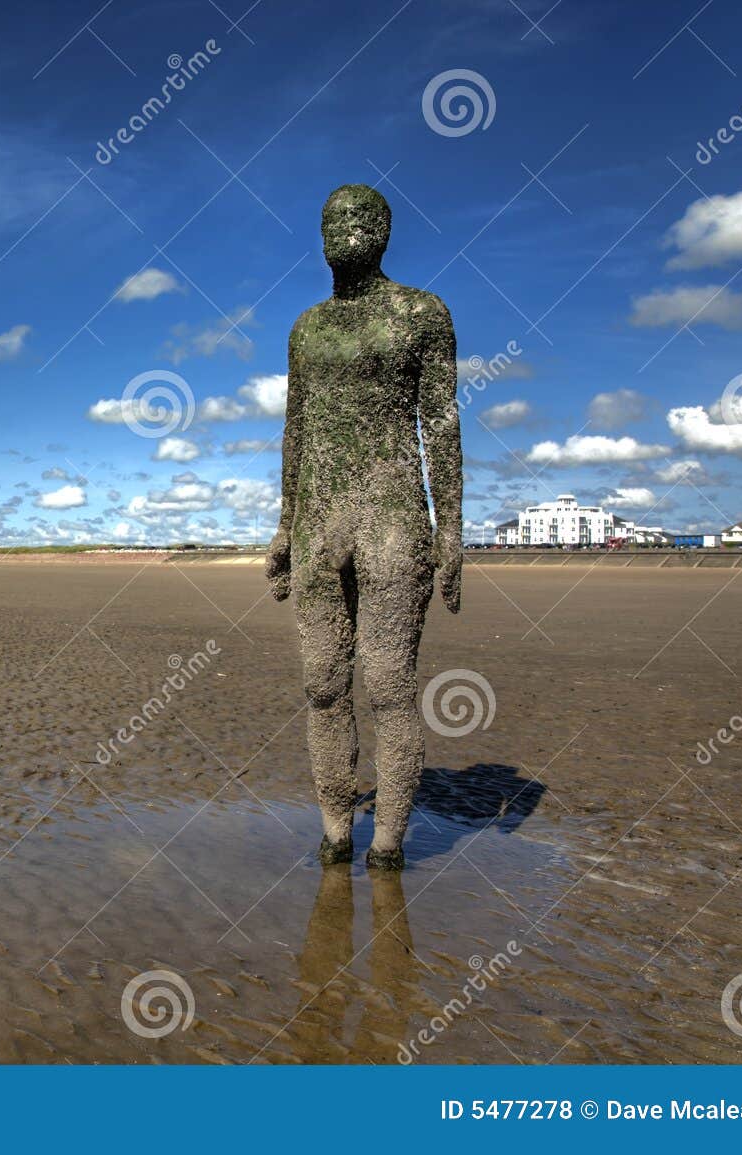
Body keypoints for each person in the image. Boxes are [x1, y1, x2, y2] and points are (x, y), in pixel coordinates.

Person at [265, 184, 462, 871]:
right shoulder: (307, 329)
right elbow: (295, 429)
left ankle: (387, 846)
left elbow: (441, 423)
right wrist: (284, 525)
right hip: (320, 518)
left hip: (393, 513)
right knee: (322, 681)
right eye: (333, 219)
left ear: (385, 230)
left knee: (389, 684)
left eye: (362, 216)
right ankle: (334, 827)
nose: (347, 228)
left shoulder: (420, 314)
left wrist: (452, 529)